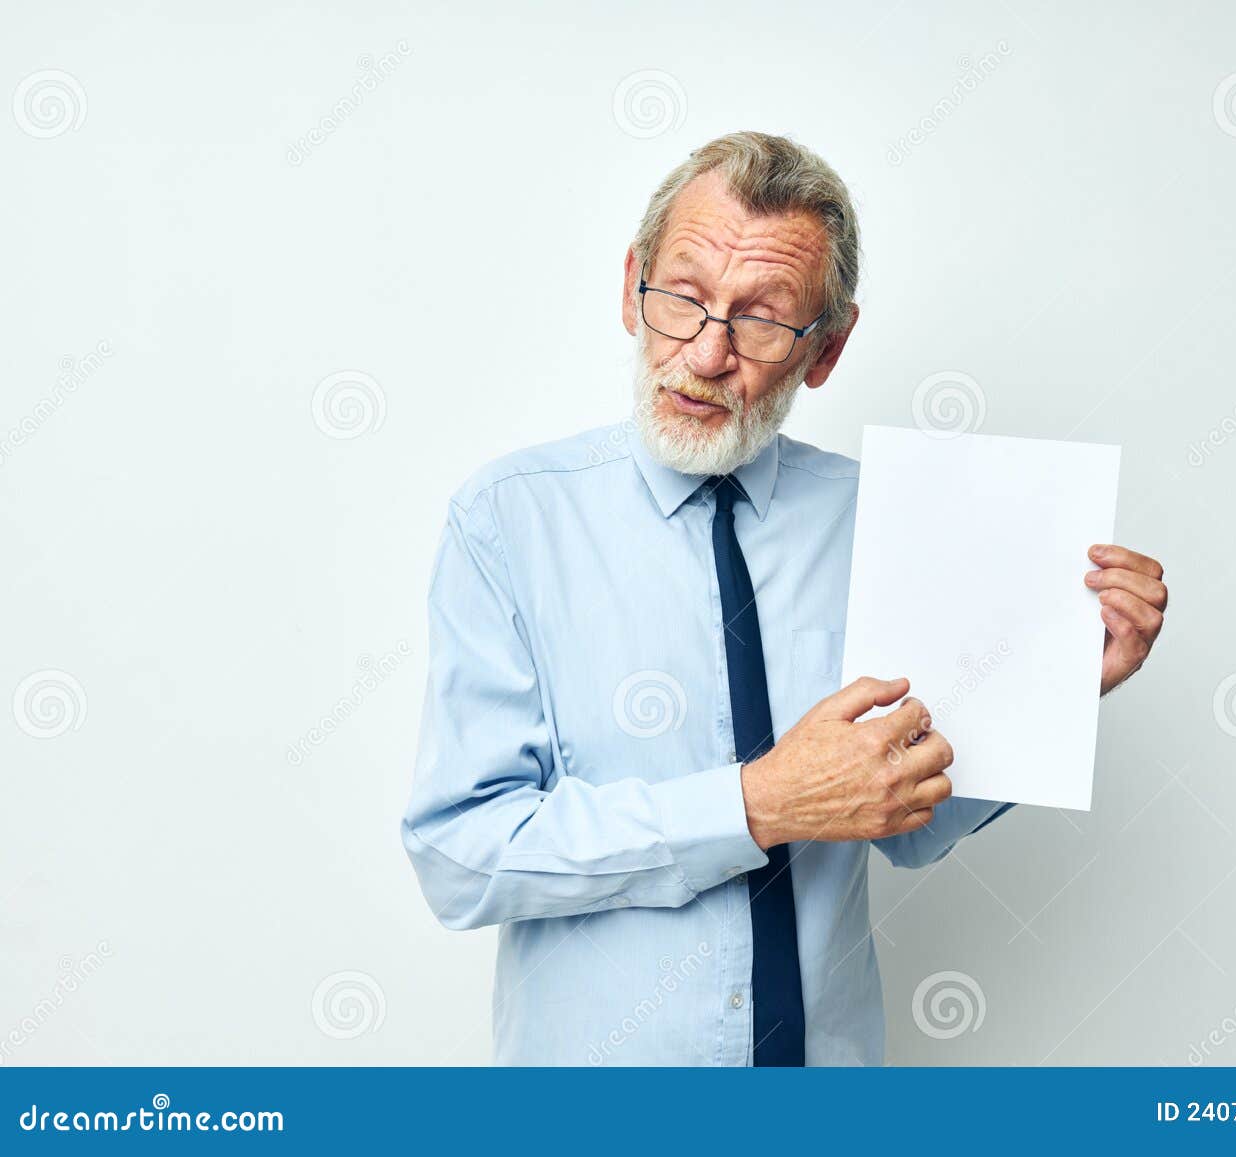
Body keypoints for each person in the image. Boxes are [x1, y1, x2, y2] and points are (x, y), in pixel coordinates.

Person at [401, 131, 1168, 1065]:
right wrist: (755, 804)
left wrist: (1055, 685)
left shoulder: (883, 521)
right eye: (682, 298)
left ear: (828, 347)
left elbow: (912, 830)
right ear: (632, 287)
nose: (708, 353)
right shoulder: (509, 521)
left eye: (762, 318)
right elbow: (463, 853)